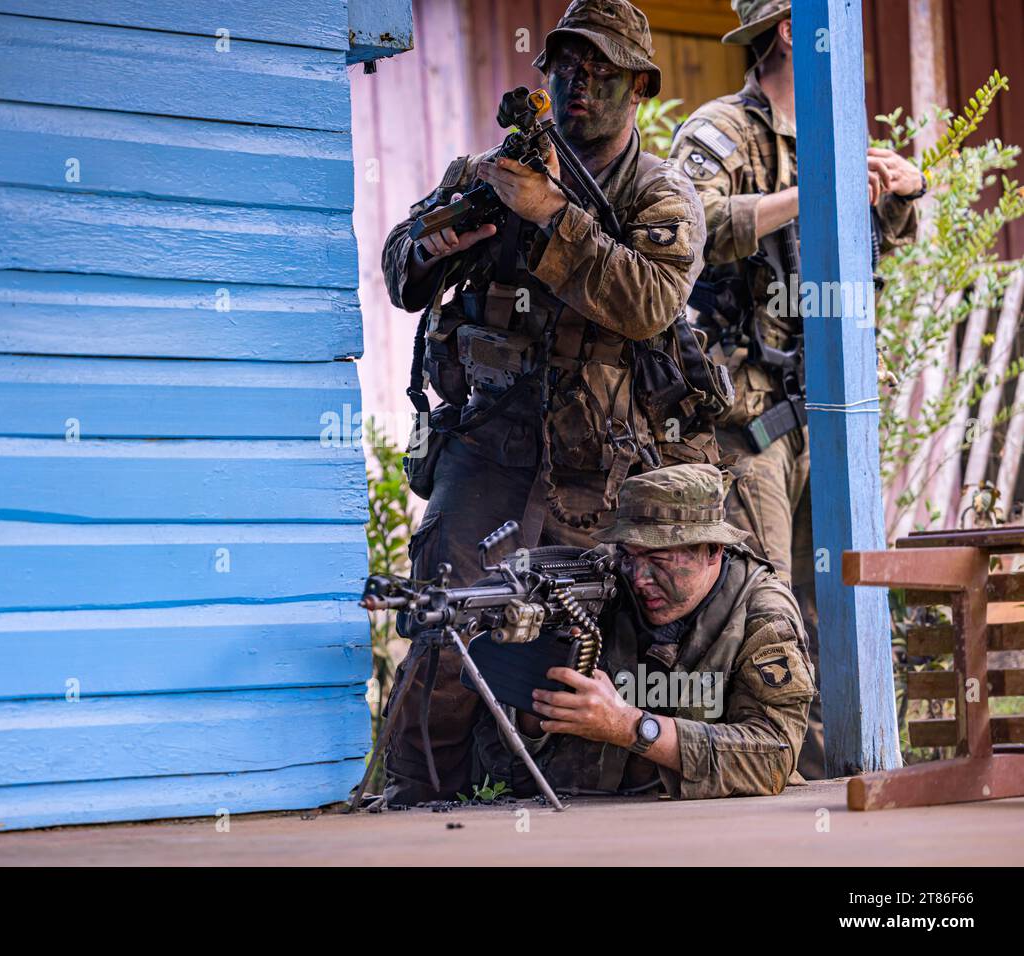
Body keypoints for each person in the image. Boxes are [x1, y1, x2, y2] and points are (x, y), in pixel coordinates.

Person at [377, 0, 728, 805]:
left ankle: (571, 815)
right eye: (567, 66)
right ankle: (410, 801)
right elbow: (400, 266)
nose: (580, 84)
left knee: (592, 651)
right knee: (443, 627)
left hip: (601, 467)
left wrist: (549, 216)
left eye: (602, 71)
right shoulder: (490, 170)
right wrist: (436, 243)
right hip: (488, 447)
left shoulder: (661, 195)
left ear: (640, 84)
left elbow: (647, 302)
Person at [667, 0, 923, 777]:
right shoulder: (721, 131)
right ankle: (757, 769)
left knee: (840, 598)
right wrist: (817, 190)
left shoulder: (837, 139)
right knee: (764, 598)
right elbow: (689, 227)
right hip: (747, 417)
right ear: (790, 31)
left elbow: (882, 242)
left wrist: (903, 192)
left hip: (828, 413)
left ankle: (832, 767)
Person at [473, 463, 816, 799]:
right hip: (585, 815)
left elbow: (772, 755)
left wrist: (629, 727)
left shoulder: (761, 612)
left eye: (659, 559)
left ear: (713, 550)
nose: (638, 577)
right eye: (629, 555)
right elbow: (510, 755)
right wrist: (541, 703)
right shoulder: (595, 584)